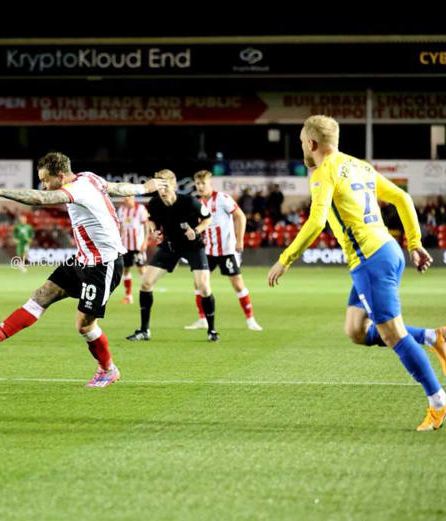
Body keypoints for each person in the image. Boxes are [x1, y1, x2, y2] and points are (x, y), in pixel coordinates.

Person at [268, 115, 446, 431]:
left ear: (311, 144)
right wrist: (414, 243)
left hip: (371, 260)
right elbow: (403, 198)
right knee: (356, 330)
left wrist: (285, 259)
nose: (303, 148)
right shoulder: (360, 166)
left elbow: (316, 222)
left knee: (393, 335)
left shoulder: (323, 172)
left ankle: (438, 402)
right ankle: (434, 336)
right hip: (386, 251)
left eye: (302, 144)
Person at [0, 152, 166, 388]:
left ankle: (108, 370)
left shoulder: (77, 188)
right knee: (41, 295)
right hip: (82, 260)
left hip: (103, 265)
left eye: (46, 180)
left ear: (60, 175)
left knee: (84, 326)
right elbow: (115, 188)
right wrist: (143, 187)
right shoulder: (89, 177)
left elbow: (39, 199)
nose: (44, 185)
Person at [127, 169, 218, 343]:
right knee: (145, 283)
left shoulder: (190, 202)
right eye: (159, 186)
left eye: (165, 186)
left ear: (174, 185)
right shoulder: (154, 203)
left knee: (204, 287)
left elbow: (208, 218)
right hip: (170, 246)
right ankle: (144, 330)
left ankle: (212, 331)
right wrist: (154, 230)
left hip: (193, 246)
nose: (162, 190)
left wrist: (196, 231)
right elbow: (151, 219)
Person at [186, 170, 262, 331]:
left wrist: (239, 239)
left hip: (226, 250)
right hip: (207, 251)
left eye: (203, 183)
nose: (200, 186)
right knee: (199, 284)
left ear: (210, 183)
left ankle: (251, 320)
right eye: (197, 183)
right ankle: (202, 319)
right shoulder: (197, 203)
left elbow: (240, 216)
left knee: (238, 284)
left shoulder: (222, 198)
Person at [116, 195, 150, 303]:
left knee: (142, 269)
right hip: (125, 246)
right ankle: (128, 296)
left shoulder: (140, 209)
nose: (126, 199)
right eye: (125, 197)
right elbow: (120, 226)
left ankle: (147, 293)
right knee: (125, 270)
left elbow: (146, 226)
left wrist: (145, 241)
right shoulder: (121, 210)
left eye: (129, 197)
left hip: (138, 245)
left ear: (133, 198)